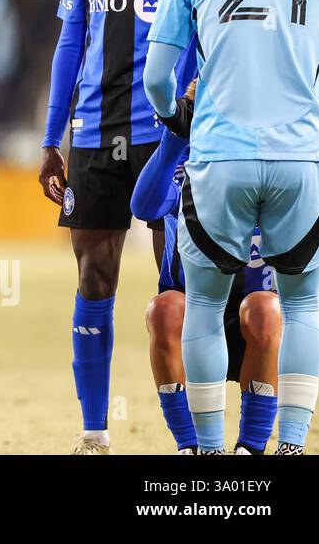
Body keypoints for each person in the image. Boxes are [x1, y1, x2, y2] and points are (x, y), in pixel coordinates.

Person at [39, 0, 214, 454]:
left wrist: (203, 120)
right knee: (93, 278)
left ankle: (195, 438)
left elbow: (218, 41)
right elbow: (68, 44)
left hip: (171, 138)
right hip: (92, 134)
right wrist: (50, 137)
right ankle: (94, 431)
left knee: (178, 287)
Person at [143, 0, 319, 455]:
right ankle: (291, 446)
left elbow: (157, 77)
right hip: (301, 158)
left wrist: (177, 120)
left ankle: (211, 458)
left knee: (202, 303)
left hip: (219, 156)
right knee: (301, 302)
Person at [130, 89, 281, 455]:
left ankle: (251, 447)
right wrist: (175, 133)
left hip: (251, 311)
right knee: (163, 309)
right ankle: (191, 447)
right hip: (192, 312)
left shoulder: (269, 154)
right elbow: (143, 205)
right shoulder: (183, 161)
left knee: (266, 310)